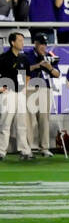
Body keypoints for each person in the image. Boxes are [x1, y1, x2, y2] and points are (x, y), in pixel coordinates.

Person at [0, 32, 32, 160]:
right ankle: (1, 151)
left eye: (23, 40)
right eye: (20, 40)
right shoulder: (3, 58)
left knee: (22, 124)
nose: (22, 43)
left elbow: (28, 75)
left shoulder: (24, 58)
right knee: (5, 124)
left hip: (20, 93)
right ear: (12, 42)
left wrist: (25, 88)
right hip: (8, 93)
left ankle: (24, 151)